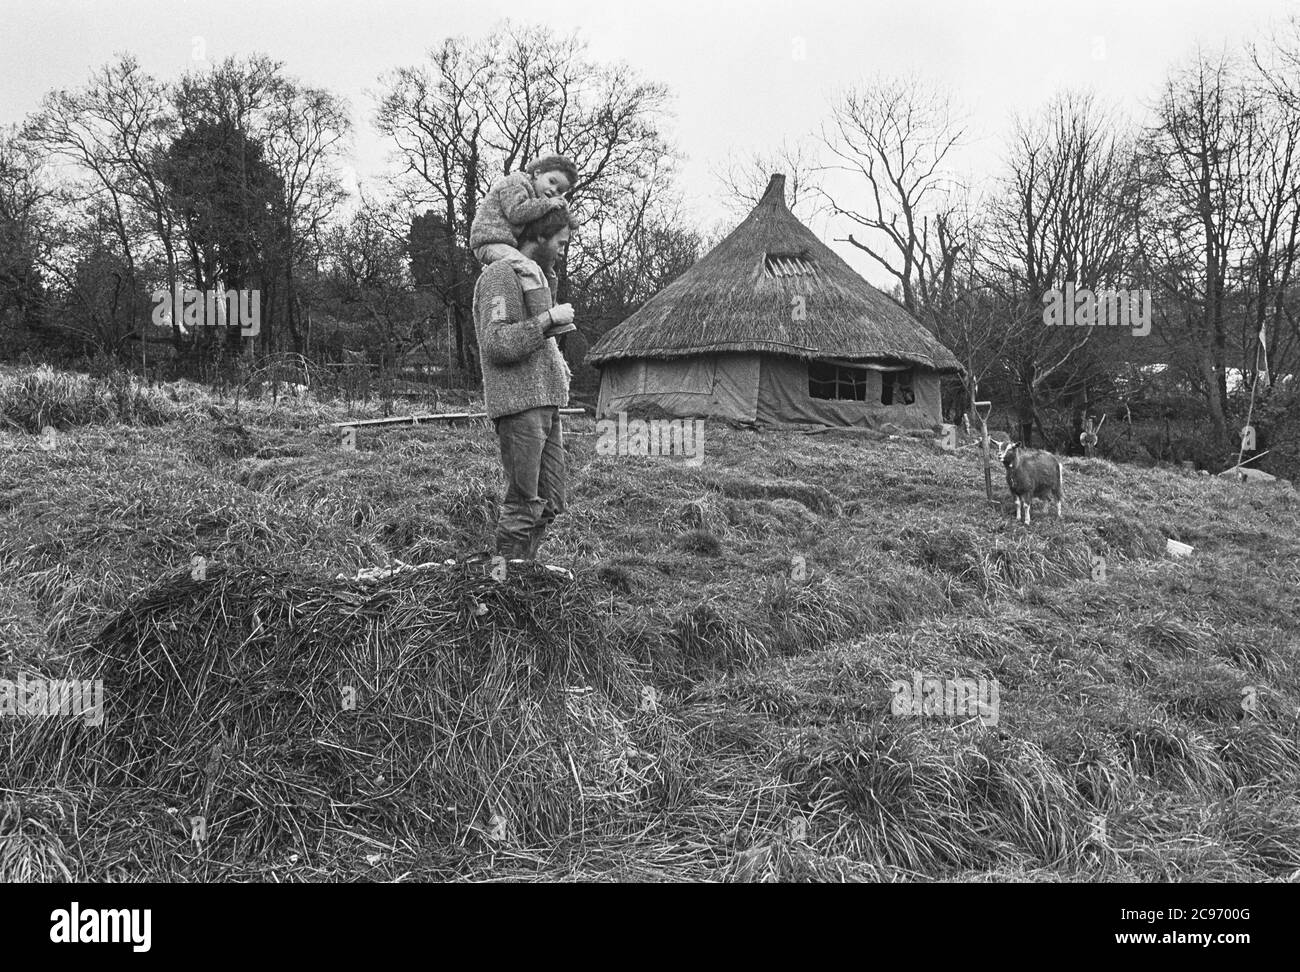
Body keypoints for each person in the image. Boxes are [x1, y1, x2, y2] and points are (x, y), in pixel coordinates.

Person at [473, 205, 578, 562]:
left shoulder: (536, 280)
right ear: (538, 237)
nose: (563, 252)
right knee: (522, 507)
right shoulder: (501, 276)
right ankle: (502, 587)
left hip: (546, 405)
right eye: (560, 244)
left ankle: (524, 574)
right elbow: (497, 342)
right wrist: (548, 319)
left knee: (550, 502)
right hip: (520, 408)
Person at [469, 154, 578, 301]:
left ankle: (552, 306)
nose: (553, 191)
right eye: (552, 181)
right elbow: (515, 213)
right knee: (528, 268)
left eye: (559, 191)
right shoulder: (517, 182)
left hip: (507, 244)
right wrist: (549, 204)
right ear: (537, 173)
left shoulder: (536, 197)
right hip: (489, 242)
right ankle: (544, 313)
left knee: (549, 274)